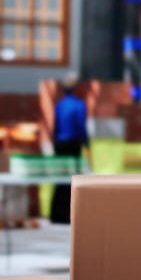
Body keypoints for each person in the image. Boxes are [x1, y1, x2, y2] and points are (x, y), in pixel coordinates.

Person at [50, 72, 88, 223]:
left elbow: (56, 127)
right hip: (73, 144)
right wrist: (86, 142)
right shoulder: (79, 105)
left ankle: (55, 214)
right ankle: (67, 214)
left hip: (60, 144)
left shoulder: (59, 105)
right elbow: (80, 126)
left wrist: (55, 143)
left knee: (60, 178)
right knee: (72, 178)